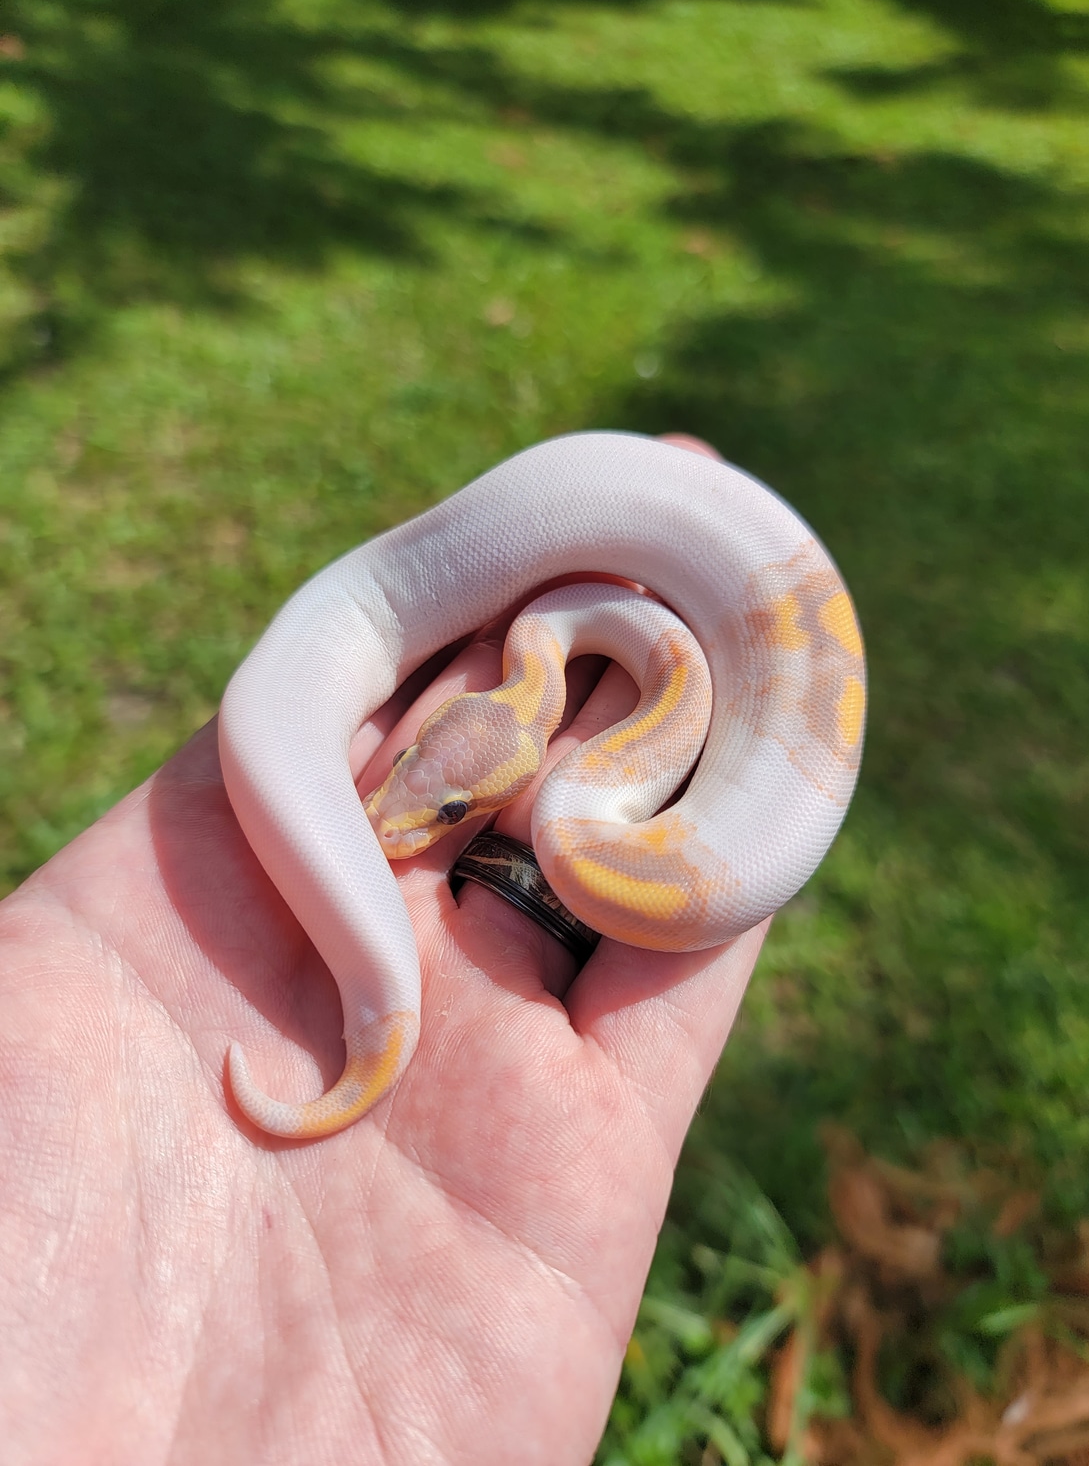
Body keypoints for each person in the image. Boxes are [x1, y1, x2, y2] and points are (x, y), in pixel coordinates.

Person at [0, 436, 766, 1463]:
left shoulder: (560, 733)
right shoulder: (535, 672)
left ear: (503, 774)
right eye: (407, 766)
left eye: (441, 807)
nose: (391, 818)